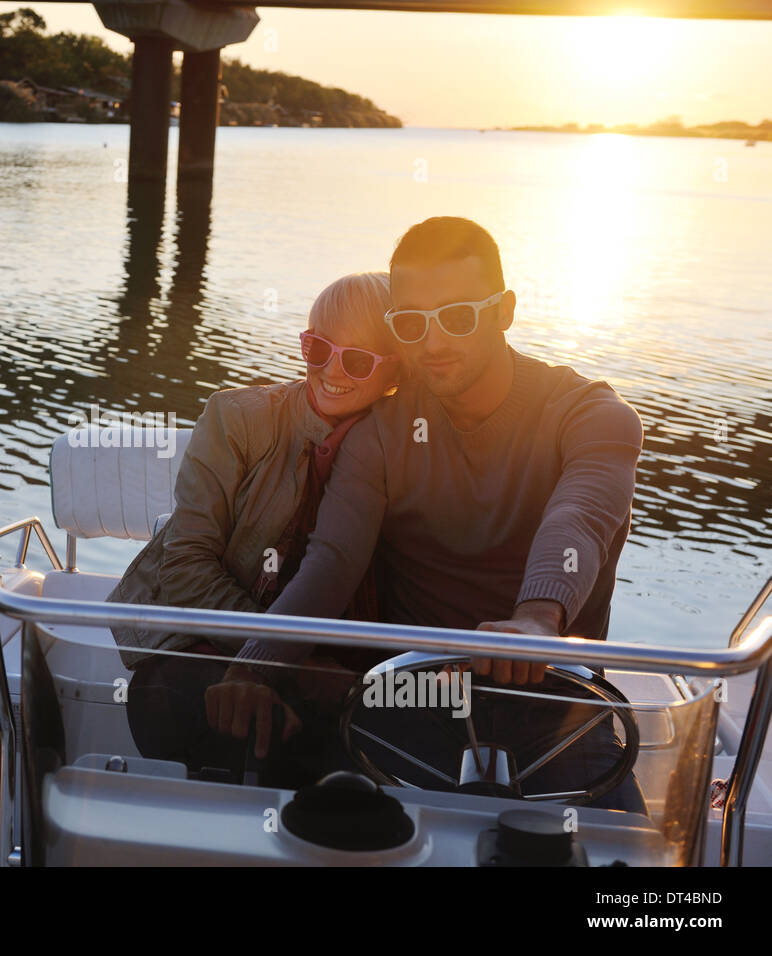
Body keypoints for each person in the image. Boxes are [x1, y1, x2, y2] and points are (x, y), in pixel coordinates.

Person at [207, 216, 646, 809]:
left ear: (505, 311)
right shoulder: (383, 435)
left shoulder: (590, 415)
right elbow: (331, 564)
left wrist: (538, 619)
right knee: (340, 829)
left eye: (458, 316)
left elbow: (580, 516)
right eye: (412, 324)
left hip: (556, 704)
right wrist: (252, 668)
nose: (433, 343)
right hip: (414, 698)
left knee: (630, 862)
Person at [107, 272, 402, 786]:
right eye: (317, 349)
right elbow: (185, 571)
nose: (331, 371)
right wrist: (293, 662)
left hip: (337, 662)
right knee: (183, 704)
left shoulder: (406, 442)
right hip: (205, 637)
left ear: (394, 372)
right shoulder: (236, 418)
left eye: (356, 360)